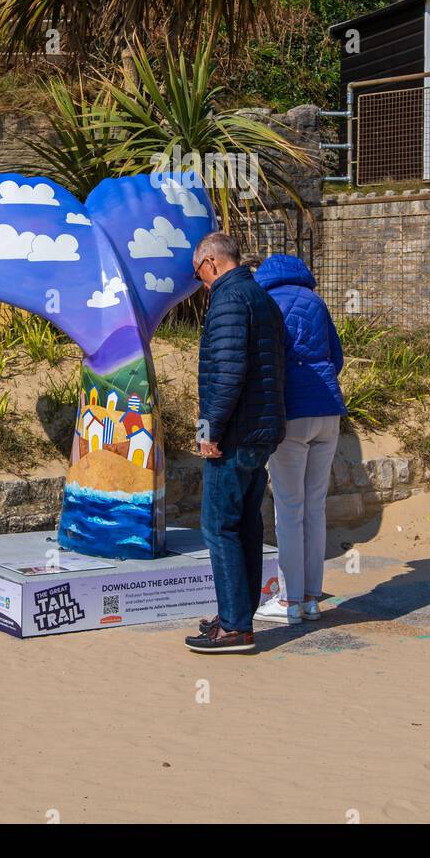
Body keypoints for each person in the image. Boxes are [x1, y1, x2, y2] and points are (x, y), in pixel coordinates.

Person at [184, 231, 285, 655]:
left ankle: (234, 627)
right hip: (261, 431)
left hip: (235, 434)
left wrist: (210, 430)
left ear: (210, 263)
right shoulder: (261, 297)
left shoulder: (227, 300)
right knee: (245, 526)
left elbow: (227, 372)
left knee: (218, 526)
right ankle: (238, 616)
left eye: (197, 274)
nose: (199, 283)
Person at [252, 253, 347, 624]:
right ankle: (310, 598)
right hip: (328, 409)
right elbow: (335, 358)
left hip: (291, 413)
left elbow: (265, 360)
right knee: (315, 507)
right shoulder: (316, 301)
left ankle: (289, 601)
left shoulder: (266, 301)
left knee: (289, 510)